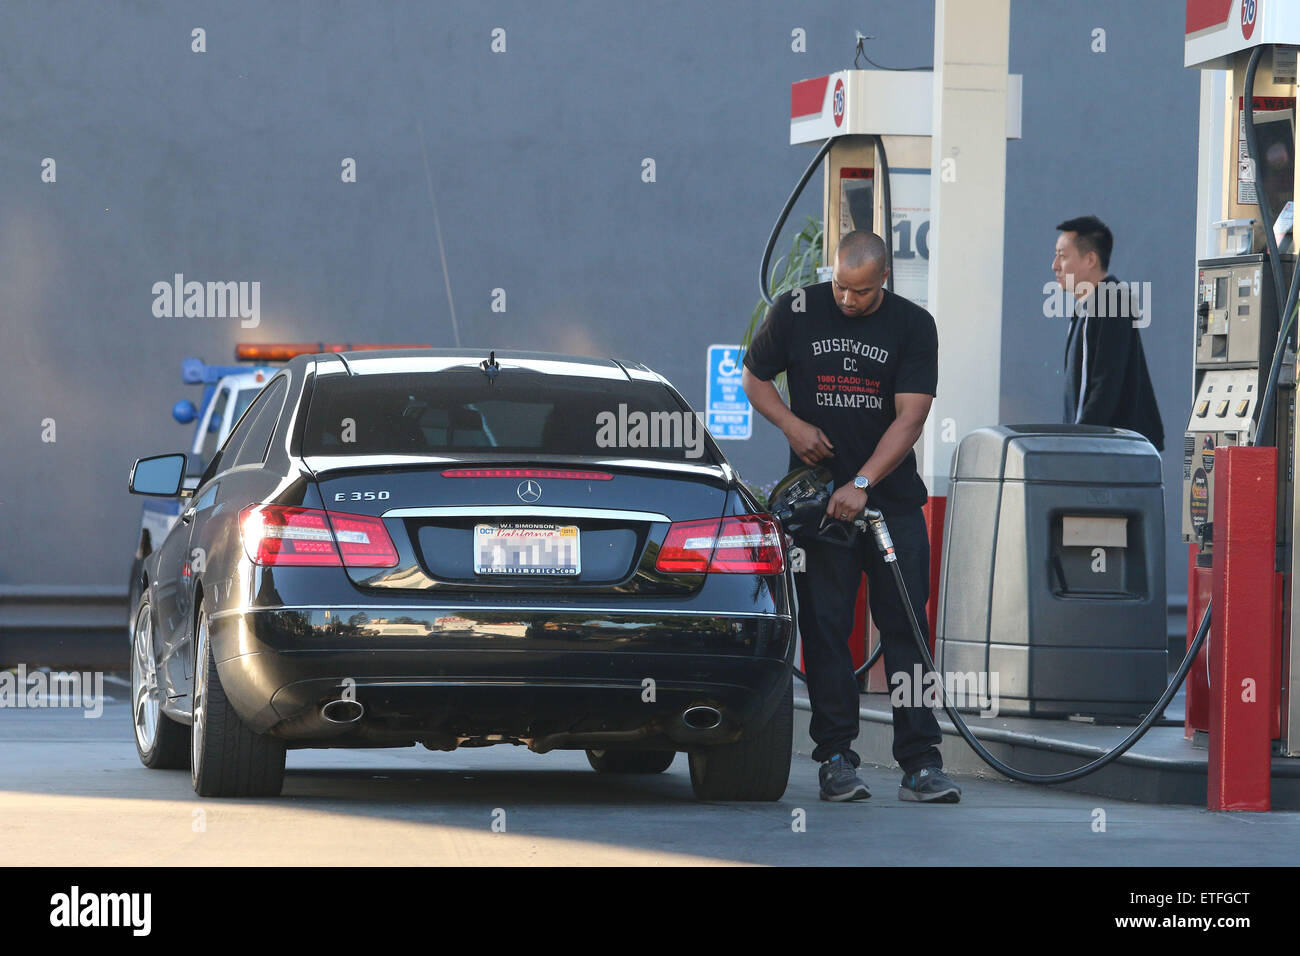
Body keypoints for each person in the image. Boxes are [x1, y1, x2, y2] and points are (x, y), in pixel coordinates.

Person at [742, 229, 961, 803]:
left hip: (890, 502)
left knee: (907, 632)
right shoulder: (797, 310)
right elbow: (754, 378)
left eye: (860, 293)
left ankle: (921, 763)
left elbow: (912, 417)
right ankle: (836, 757)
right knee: (826, 632)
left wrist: (863, 482)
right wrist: (792, 425)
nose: (846, 300)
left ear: (883, 281)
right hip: (818, 503)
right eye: (840, 286)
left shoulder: (913, 326)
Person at [1054, 215, 1164, 450]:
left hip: (1113, 454)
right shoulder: (1090, 306)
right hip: (1103, 449)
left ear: (1090, 259)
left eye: (1062, 256)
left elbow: (1104, 387)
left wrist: (1078, 443)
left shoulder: (1110, 302)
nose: (1055, 265)